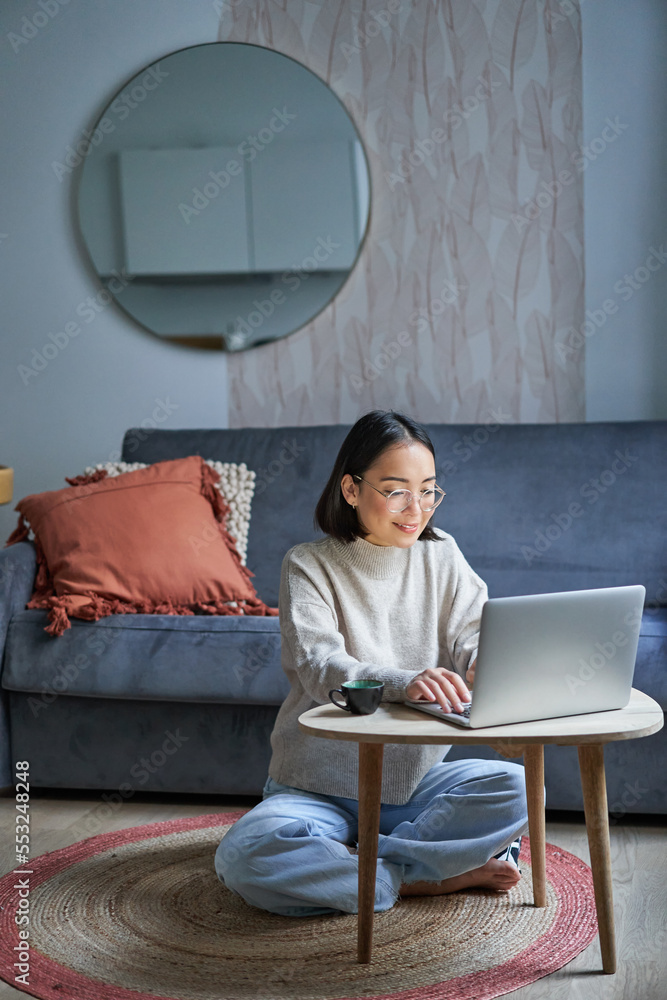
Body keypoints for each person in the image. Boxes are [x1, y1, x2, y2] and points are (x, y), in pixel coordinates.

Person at [215, 410, 529, 916]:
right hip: (315, 785)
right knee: (245, 856)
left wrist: (482, 666)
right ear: (351, 489)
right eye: (396, 489)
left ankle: (367, 869)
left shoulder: (443, 555)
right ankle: (417, 875)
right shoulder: (307, 564)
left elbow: (475, 633)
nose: (417, 508)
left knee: (514, 787)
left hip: (414, 783)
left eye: (428, 490)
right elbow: (321, 666)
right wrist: (408, 682)